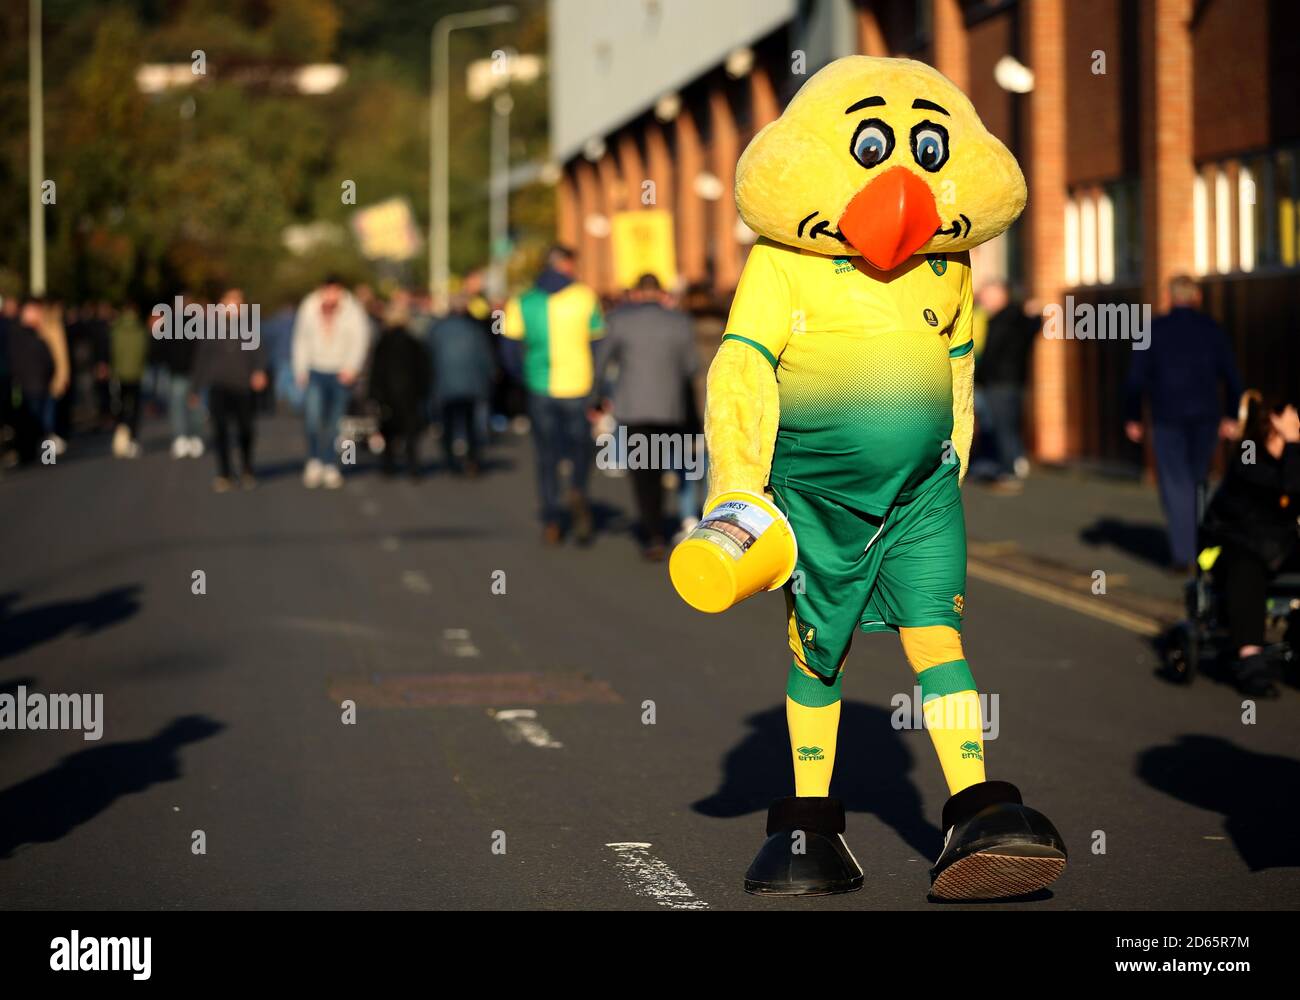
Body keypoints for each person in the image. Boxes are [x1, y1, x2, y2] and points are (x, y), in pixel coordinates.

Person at [699, 55, 1065, 900]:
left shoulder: (953, 261)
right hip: (818, 499)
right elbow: (741, 368)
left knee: (938, 635)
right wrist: (738, 486)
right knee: (819, 653)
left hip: (921, 496)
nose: (901, 174)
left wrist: (956, 460)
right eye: (873, 145)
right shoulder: (780, 262)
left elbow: (959, 365)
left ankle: (976, 808)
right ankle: (809, 827)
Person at [1125, 275, 1243, 572]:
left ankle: (1184, 555)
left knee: (1175, 484)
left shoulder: (1152, 330)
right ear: (1197, 297)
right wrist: (1231, 414)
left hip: (1167, 417)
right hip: (1206, 417)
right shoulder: (1212, 330)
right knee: (1199, 481)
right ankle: (1203, 551)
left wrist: (1133, 417)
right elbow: (1232, 375)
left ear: (1168, 297)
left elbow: (1135, 379)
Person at [503, 246, 605, 545]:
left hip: (540, 388)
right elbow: (598, 345)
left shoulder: (522, 301)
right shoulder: (585, 297)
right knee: (580, 450)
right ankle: (577, 489)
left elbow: (508, 350)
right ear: (564, 265)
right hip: (579, 387)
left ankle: (551, 516)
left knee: (546, 455)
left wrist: (524, 376)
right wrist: (599, 387)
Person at [593, 274, 698, 559]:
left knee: (643, 473)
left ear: (637, 293)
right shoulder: (679, 321)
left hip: (634, 408)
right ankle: (668, 521)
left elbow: (602, 362)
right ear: (660, 293)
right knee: (668, 466)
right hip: (669, 408)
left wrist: (596, 398)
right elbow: (690, 366)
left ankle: (653, 533)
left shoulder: (619, 320)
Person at [1202, 392, 1300, 697]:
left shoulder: (1291, 458)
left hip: (1277, 547)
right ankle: (1250, 658)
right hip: (1231, 544)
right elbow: (1290, 487)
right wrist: (1293, 442)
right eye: (1294, 419)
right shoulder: (1248, 453)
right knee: (1247, 565)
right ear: (1274, 422)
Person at [292, 275, 370, 489]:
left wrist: (352, 368)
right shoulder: (309, 307)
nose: (330, 296)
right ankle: (314, 460)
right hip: (315, 370)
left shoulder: (352, 310)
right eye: (327, 291)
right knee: (313, 419)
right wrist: (300, 369)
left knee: (335, 421)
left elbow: (360, 339)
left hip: (340, 372)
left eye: (335, 291)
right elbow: (300, 339)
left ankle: (330, 464)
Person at [191, 288, 267, 491]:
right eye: (229, 302)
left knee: (246, 429)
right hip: (219, 386)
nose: (233, 306)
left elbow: (259, 352)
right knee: (220, 430)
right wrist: (196, 389)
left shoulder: (251, 326)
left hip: (243, 386)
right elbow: (202, 359)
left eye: (237, 302)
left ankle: (247, 469)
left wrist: (259, 371)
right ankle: (224, 473)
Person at [974, 279, 1040, 490]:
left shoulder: (1004, 319)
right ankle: (1015, 463)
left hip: (1000, 381)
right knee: (1008, 425)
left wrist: (980, 376)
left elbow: (992, 354)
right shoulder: (1015, 316)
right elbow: (1032, 329)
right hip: (1011, 380)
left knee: (1002, 427)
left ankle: (1009, 471)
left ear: (1000, 295)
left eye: (986, 296)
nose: (982, 300)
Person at [428, 292, 494, 477]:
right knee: (471, 423)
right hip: (471, 384)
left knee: (448, 423)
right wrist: (490, 377)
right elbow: (486, 357)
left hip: (445, 384)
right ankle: (472, 459)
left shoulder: (438, 329)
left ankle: (451, 460)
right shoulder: (474, 329)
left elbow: (429, 356)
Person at [368, 301, 431, 480]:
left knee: (389, 432)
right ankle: (413, 466)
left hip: (388, 395)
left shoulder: (383, 343)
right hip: (410, 394)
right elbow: (424, 369)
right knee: (411, 433)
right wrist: (423, 391)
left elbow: (377, 370)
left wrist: (374, 394)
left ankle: (388, 465)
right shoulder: (414, 342)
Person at [6, 297, 55, 461]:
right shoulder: (29, 335)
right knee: (39, 422)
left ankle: (32, 455)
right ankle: (44, 456)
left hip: (30, 384)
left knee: (34, 422)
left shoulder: (18, 335)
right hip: (33, 384)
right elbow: (48, 360)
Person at [156, 293, 204, 459]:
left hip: (177, 371)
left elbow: (160, 348)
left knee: (178, 407)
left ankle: (181, 438)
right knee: (195, 407)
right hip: (194, 372)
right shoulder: (200, 323)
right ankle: (195, 439)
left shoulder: (168, 323)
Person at [111, 304, 148, 458]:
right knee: (135, 407)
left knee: (120, 405)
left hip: (120, 374)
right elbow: (144, 350)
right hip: (136, 374)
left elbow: (113, 351)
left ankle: (120, 431)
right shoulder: (140, 330)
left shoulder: (116, 330)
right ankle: (132, 438)